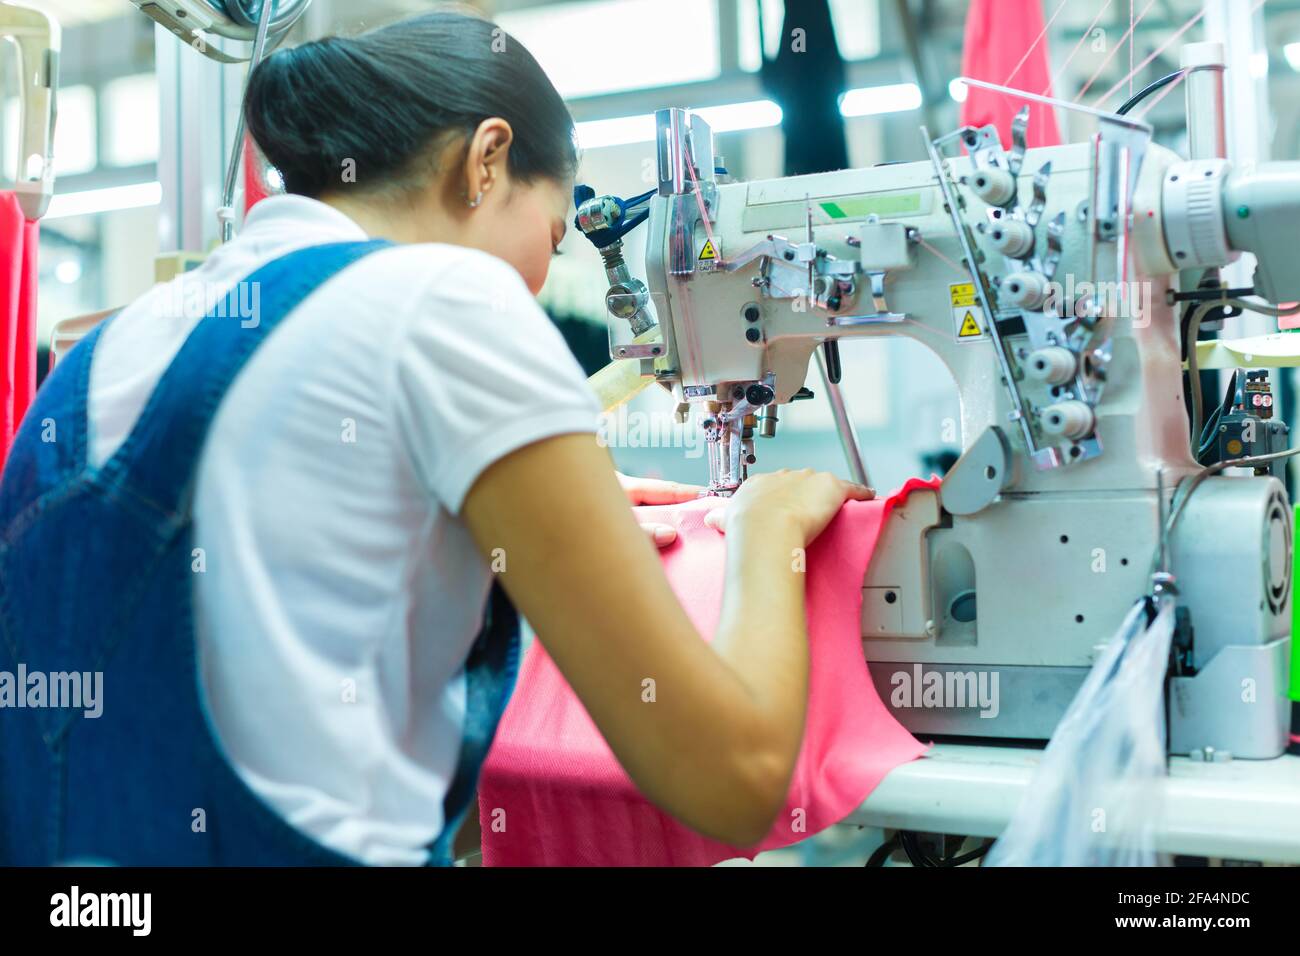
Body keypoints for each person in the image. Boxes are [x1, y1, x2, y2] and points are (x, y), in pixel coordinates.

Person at [0, 10, 870, 866]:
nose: (539, 279)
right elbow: (737, 781)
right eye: (556, 235)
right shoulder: (451, 302)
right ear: (486, 159)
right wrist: (770, 528)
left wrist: (503, 537)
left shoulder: (113, 343)